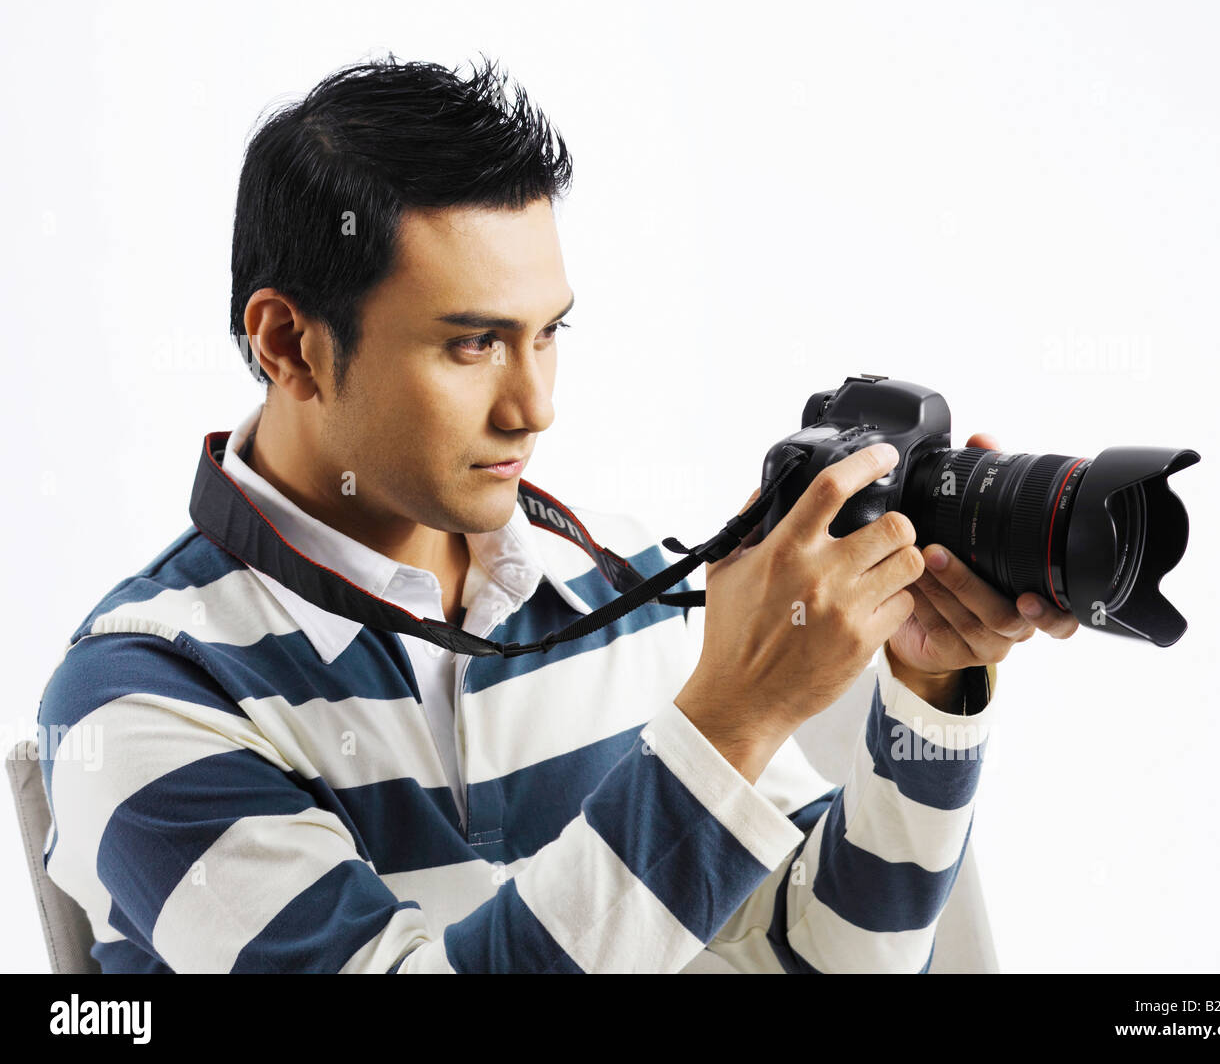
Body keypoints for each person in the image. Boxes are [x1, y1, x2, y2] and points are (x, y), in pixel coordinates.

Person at [35, 54, 1078, 974]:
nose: (534, 404)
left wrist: (931, 690)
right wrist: (729, 722)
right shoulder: (140, 699)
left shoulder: (623, 579)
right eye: (471, 343)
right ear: (288, 343)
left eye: (548, 333)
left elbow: (828, 958)